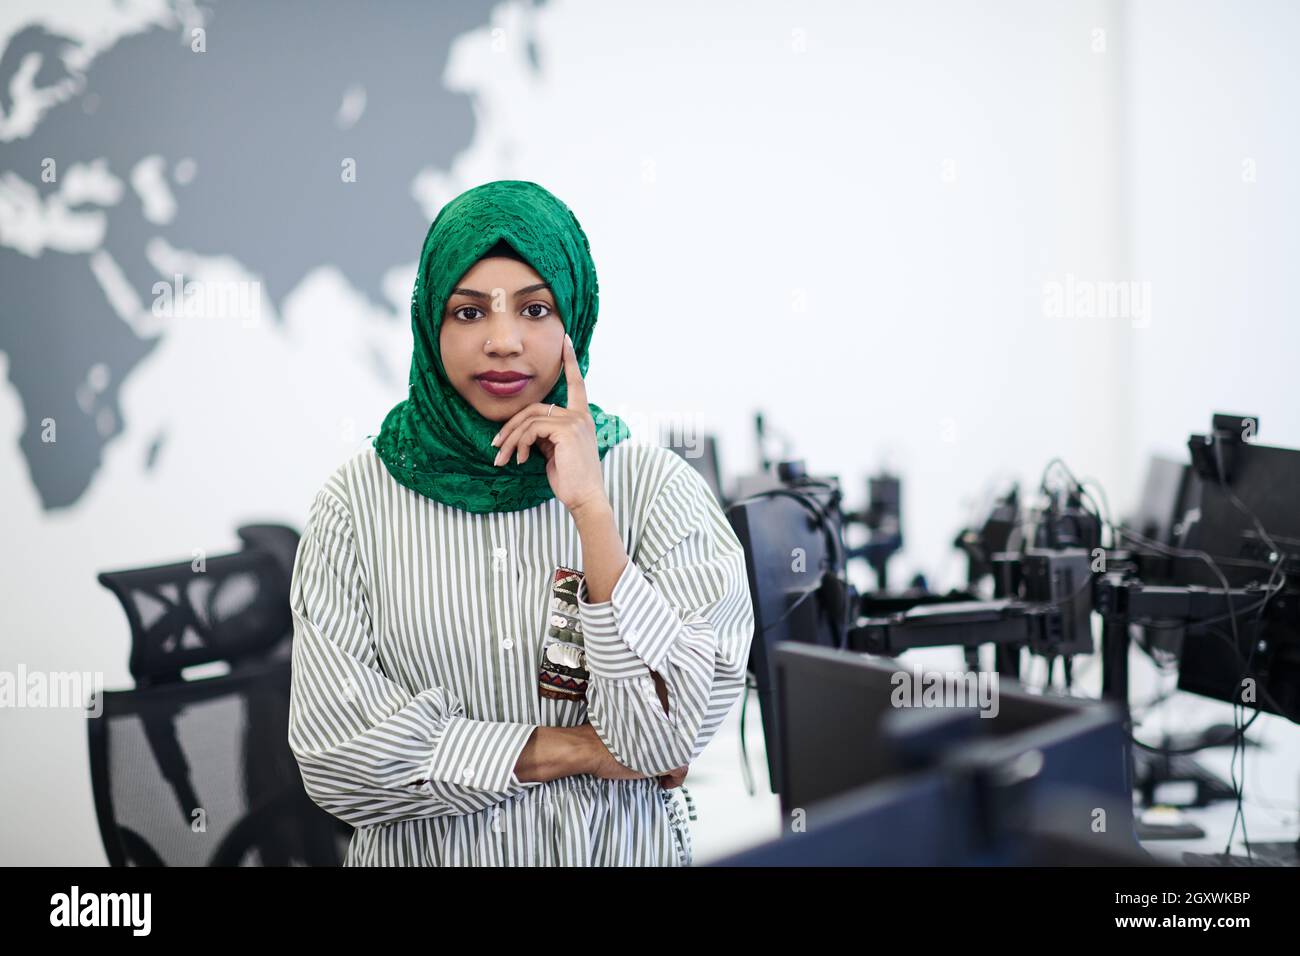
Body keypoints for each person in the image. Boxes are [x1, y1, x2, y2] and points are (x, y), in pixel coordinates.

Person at [287, 179, 755, 866]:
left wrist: (594, 516)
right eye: (469, 313)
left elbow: (662, 743)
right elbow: (338, 761)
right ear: (429, 324)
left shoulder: (657, 493)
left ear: (575, 319)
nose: (503, 342)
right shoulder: (355, 506)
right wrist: (571, 750)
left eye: (535, 309)